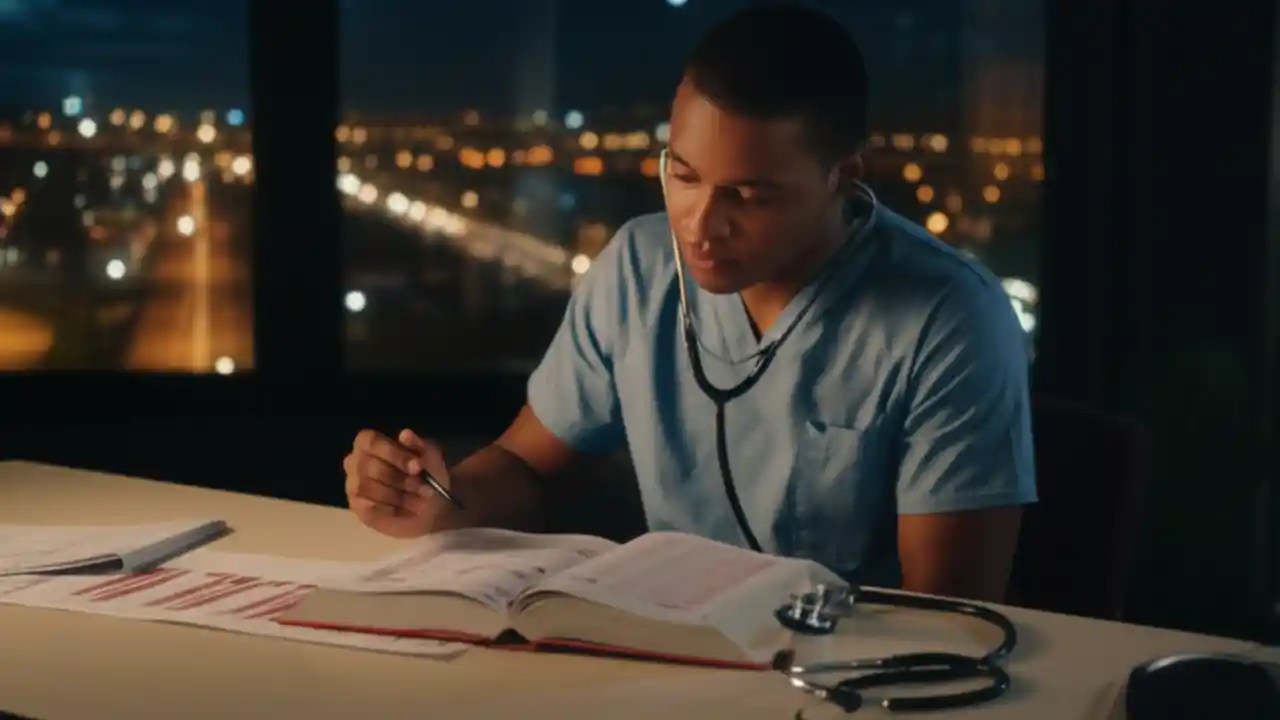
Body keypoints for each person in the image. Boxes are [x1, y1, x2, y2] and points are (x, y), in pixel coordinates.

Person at [342, 3, 1037, 602]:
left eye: (748, 195)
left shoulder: (949, 319)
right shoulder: (639, 268)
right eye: (683, 174)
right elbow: (526, 467)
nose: (700, 225)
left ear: (841, 176)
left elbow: (952, 616)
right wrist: (439, 501)